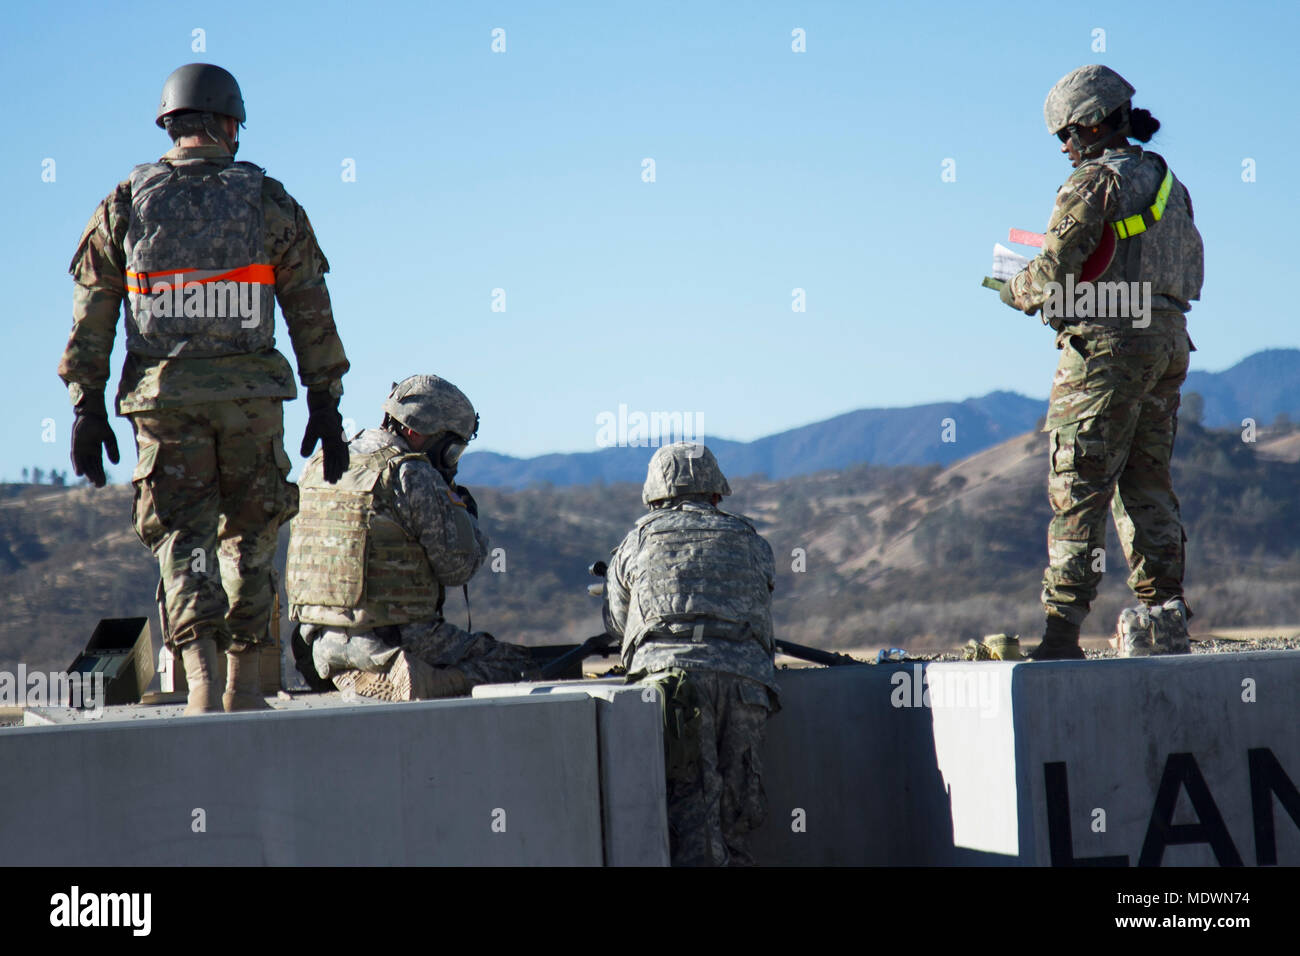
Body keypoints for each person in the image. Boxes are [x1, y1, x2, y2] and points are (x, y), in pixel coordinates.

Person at [58, 63, 350, 714]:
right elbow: (309, 303)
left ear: (170, 124)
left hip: (164, 405)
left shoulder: (127, 202)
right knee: (250, 535)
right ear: (225, 125)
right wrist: (325, 399)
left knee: (183, 540)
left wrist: (87, 405)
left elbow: (93, 310)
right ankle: (245, 687)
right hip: (252, 400)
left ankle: (199, 682)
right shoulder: (267, 199)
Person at [999, 65, 1204, 659]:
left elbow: (1056, 271)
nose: (1064, 147)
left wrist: (1014, 287)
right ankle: (1165, 620)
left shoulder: (1092, 184)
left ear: (1093, 124)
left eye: (1066, 134)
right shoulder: (1169, 181)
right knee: (1146, 482)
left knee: (1079, 484)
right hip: (1167, 340)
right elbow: (1189, 269)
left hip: (1107, 346)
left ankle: (1062, 633)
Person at [287, 374, 533, 700]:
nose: (452, 465)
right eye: (453, 451)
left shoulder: (318, 464)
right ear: (421, 434)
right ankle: (431, 681)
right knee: (517, 667)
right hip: (395, 638)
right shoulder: (410, 472)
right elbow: (458, 568)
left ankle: (351, 675)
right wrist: (466, 519)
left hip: (318, 644)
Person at [604, 442, 780, 865]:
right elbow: (761, 600)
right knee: (740, 807)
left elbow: (617, 622)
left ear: (655, 495)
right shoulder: (749, 538)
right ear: (716, 493)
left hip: (674, 686)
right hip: (746, 685)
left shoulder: (637, 542)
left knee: (691, 807)